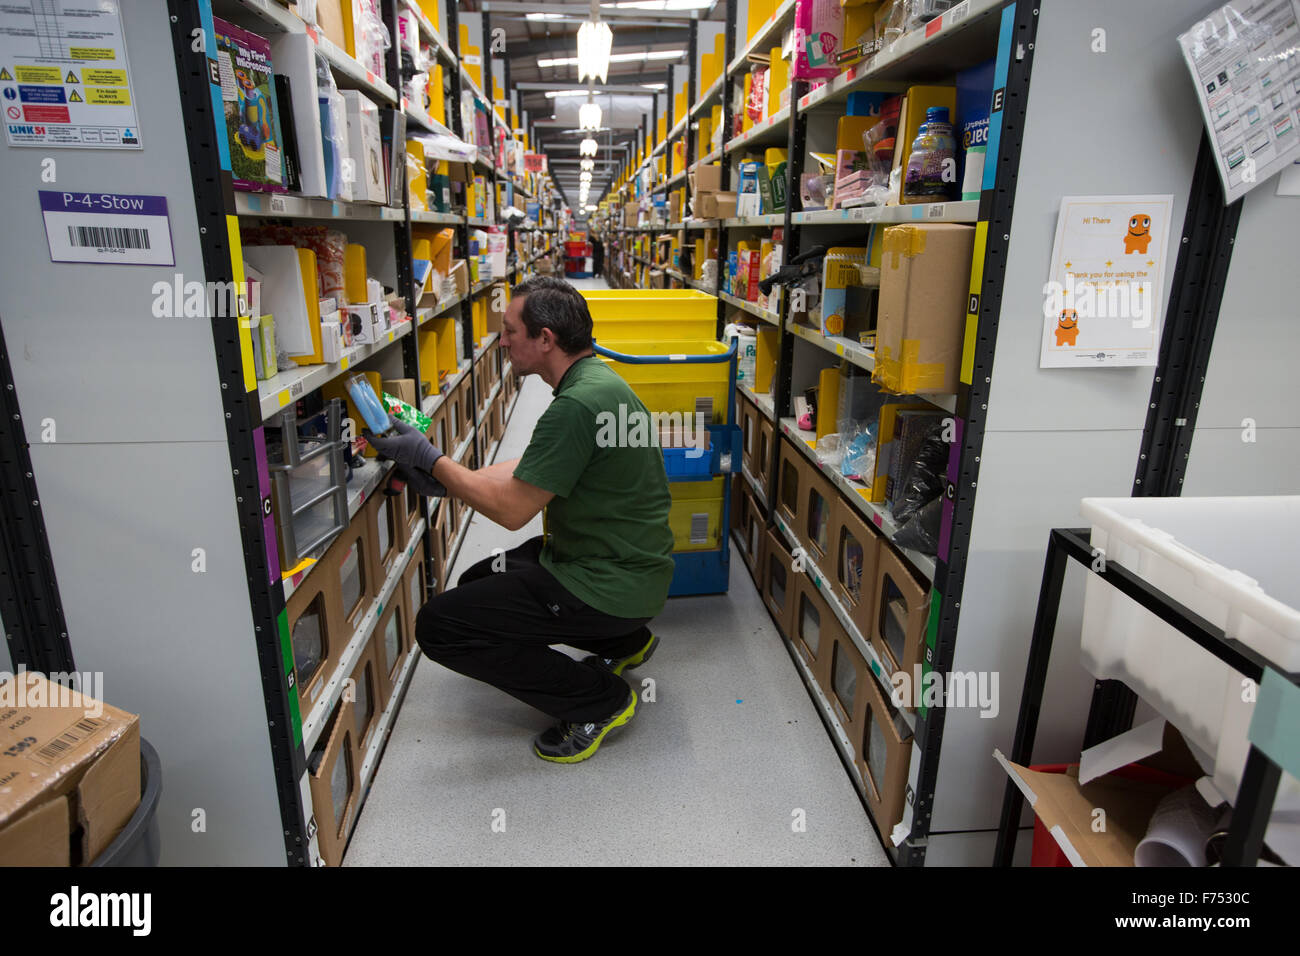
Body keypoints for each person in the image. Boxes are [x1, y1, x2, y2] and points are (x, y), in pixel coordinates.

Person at [366, 276, 674, 763]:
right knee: (477, 579)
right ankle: (624, 640)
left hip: (606, 582)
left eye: (510, 331)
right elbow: (537, 466)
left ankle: (600, 700)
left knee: (442, 625)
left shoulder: (575, 404)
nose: (502, 341)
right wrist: (446, 474)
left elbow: (513, 512)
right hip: (635, 569)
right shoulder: (599, 383)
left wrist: (431, 458)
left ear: (545, 339)